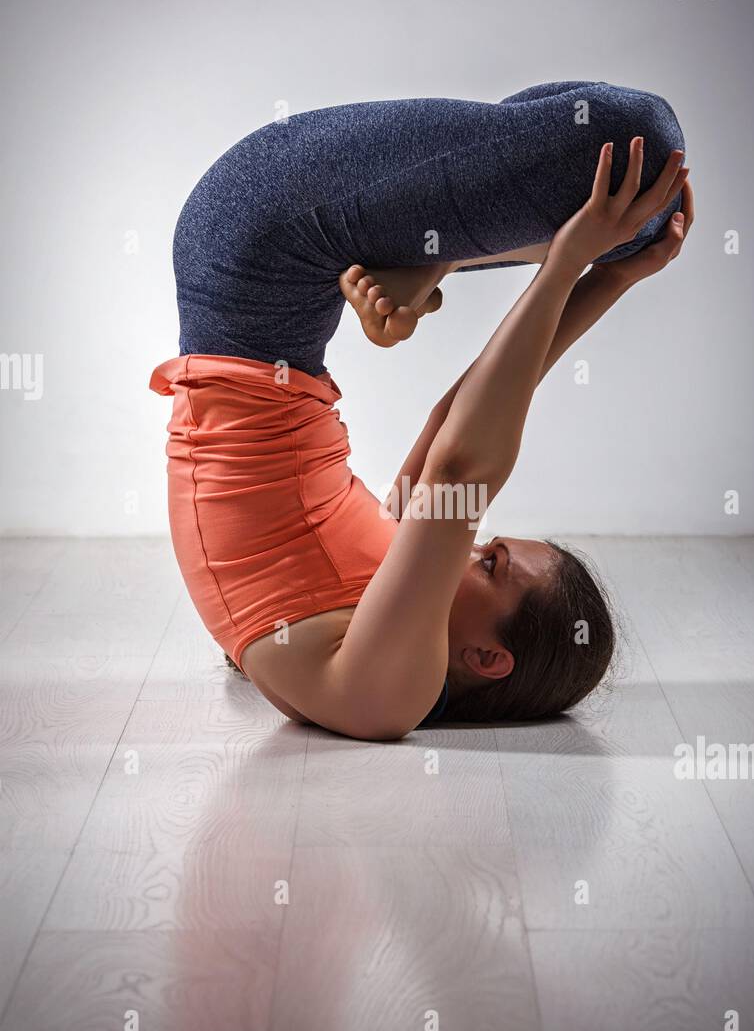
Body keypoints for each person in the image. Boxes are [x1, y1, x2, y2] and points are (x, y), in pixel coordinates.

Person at [150, 82, 692, 739]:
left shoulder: (386, 697)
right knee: (638, 227)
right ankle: (425, 258)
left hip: (260, 257)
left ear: (489, 659)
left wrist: (569, 261)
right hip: (272, 284)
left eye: (492, 566)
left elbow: (459, 469)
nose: (470, 548)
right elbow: (450, 420)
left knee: (637, 143)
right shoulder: (382, 609)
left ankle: (426, 255)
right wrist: (608, 279)